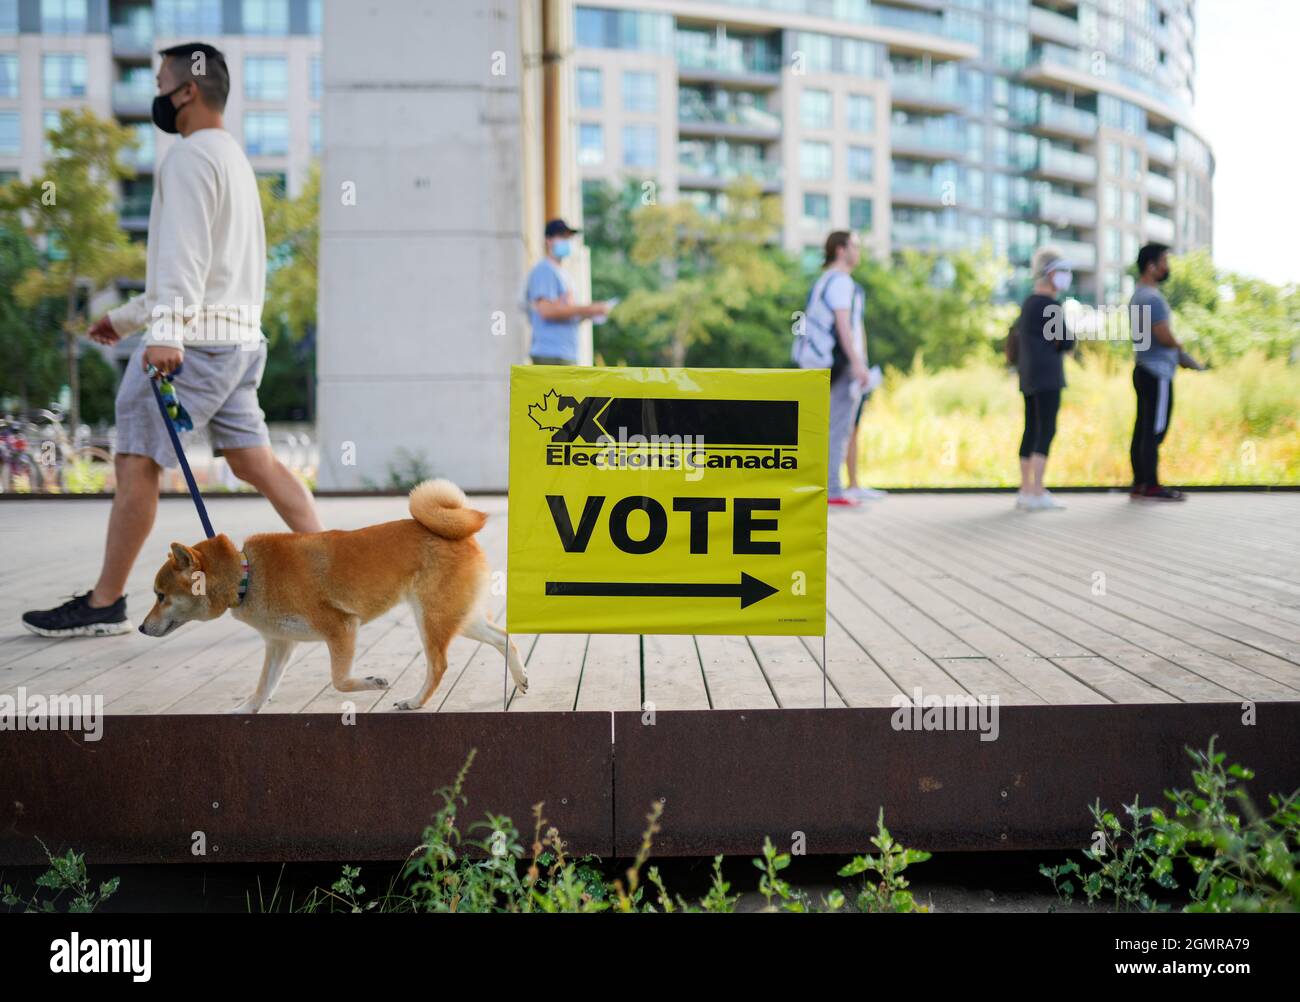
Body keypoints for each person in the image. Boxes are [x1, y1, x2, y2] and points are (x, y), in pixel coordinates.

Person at [22, 42, 323, 638]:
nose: (156, 91)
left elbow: (184, 260)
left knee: (135, 459)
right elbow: (208, 266)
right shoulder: (232, 158)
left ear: (187, 91)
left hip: (195, 346)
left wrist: (163, 333)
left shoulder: (188, 158)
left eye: (161, 81)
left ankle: (105, 602)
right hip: (237, 340)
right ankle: (327, 566)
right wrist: (134, 318)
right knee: (252, 460)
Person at [792, 230, 872, 508]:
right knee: (838, 427)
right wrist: (859, 364)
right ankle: (833, 490)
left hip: (820, 362)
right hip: (837, 365)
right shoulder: (840, 282)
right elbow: (844, 326)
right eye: (855, 246)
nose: (858, 252)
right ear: (841, 249)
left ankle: (827, 488)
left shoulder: (824, 281)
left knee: (827, 426)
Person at [1128, 243, 1202, 501]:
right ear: (1151, 266)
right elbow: (1162, 334)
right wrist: (1178, 345)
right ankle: (1152, 485)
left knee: (1142, 427)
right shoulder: (1152, 298)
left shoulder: (1137, 296)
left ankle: (1140, 483)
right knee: (1155, 429)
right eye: (1164, 261)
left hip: (1142, 368)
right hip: (1157, 372)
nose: (1167, 267)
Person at [1014, 246, 1075, 511]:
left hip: (1028, 376)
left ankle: (1026, 490)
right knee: (1045, 429)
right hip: (1048, 376)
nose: (1065, 277)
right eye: (1061, 271)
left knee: (1031, 428)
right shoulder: (1051, 305)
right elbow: (1066, 340)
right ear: (1049, 274)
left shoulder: (1028, 303)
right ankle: (1037, 491)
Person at [525, 219, 612, 365]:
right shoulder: (544, 270)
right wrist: (588, 309)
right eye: (561, 237)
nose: (566, 242)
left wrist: (589, 313)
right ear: (548, 240)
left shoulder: (564, 274)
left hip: (565, 353)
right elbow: (546, 311)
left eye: (568, 238)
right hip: (550, 353)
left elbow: (567, 312)